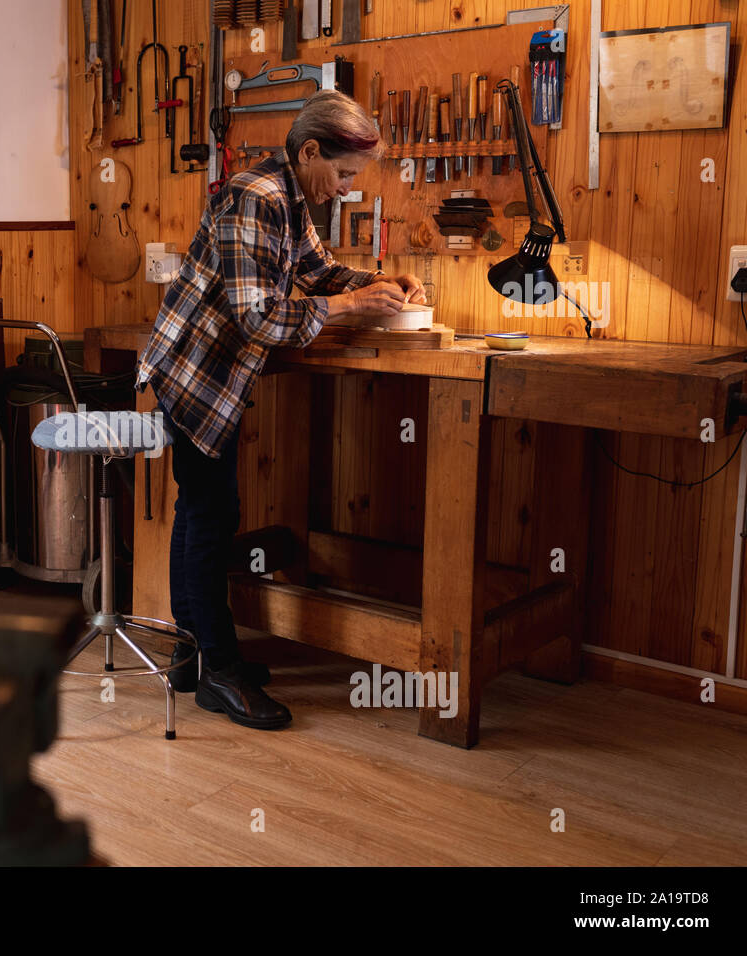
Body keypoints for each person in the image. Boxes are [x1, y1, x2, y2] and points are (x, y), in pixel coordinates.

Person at [136, 89, 426, 731]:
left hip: (211, 368)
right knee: (213, 514)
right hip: (195, 372)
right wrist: (355, 308)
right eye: (345, 174)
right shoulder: (256, 196)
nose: (348, 188)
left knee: (199, 507)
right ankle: (219, 673)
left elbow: (318, 273)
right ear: (311, 150)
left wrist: (376, 283)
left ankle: (194, 654)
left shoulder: (293, 197)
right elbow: (260, 316)